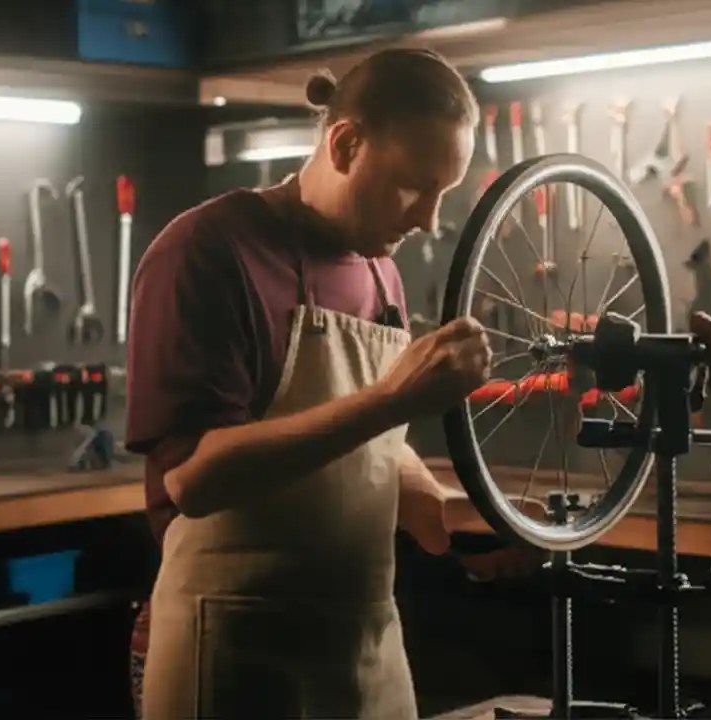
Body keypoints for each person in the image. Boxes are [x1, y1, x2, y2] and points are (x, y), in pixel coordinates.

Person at [124, 47, 535, 719]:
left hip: (360, 658)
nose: (429, 220)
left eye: (444, 194)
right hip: (236, 657)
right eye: (413, 186)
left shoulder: (382, 273)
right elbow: (194, 479)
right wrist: (393, 398)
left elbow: (374, 449)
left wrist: (466, 520)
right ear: (345, 144)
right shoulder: (209, 251)